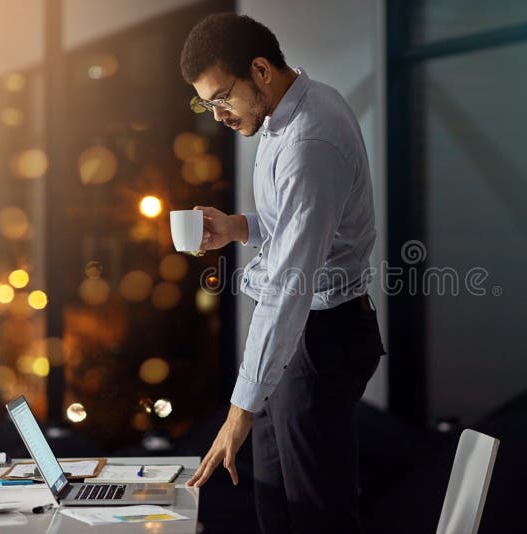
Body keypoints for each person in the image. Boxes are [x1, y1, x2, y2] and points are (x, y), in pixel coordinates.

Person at [179, 13, 385, 534]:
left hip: (320, 336)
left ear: (261, 70)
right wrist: (239, 227)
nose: (219, 114)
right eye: (208, 104)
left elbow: (290, 284)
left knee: (316, 515)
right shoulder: (289, 115)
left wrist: (238, 410)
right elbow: (302, 223)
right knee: (275, 505)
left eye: (223, 96)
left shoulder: (307, 142)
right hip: (306, 333)